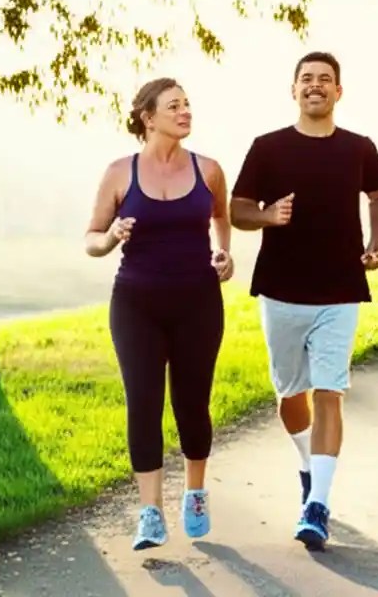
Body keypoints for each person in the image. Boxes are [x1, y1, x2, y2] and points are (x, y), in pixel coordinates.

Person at [229, 52, 378, 552]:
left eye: (325, 80)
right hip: (280, 289)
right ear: (293, 89)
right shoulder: (268, 148)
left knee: (330, 391)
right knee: (291, 395)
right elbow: (237, 210)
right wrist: (267, 216)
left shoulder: (359, 148)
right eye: (307, 79)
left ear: (338, 91)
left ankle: (318, 504)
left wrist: (376, 243)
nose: (316, 86)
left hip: (340, 288)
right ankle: (307, 463)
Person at [84, 77, 234, 551]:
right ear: (149, 117)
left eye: (188, 104)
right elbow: (91, 236)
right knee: (143, 402)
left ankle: (194, 493)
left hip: (198, 302)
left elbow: (222, 219)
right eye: (175, 106)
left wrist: (225, 254)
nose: (186, 112)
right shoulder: (119, 172)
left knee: (192, 402)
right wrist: (111, 239)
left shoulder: (208, 169)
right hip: (136, 303)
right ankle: (150, 512)